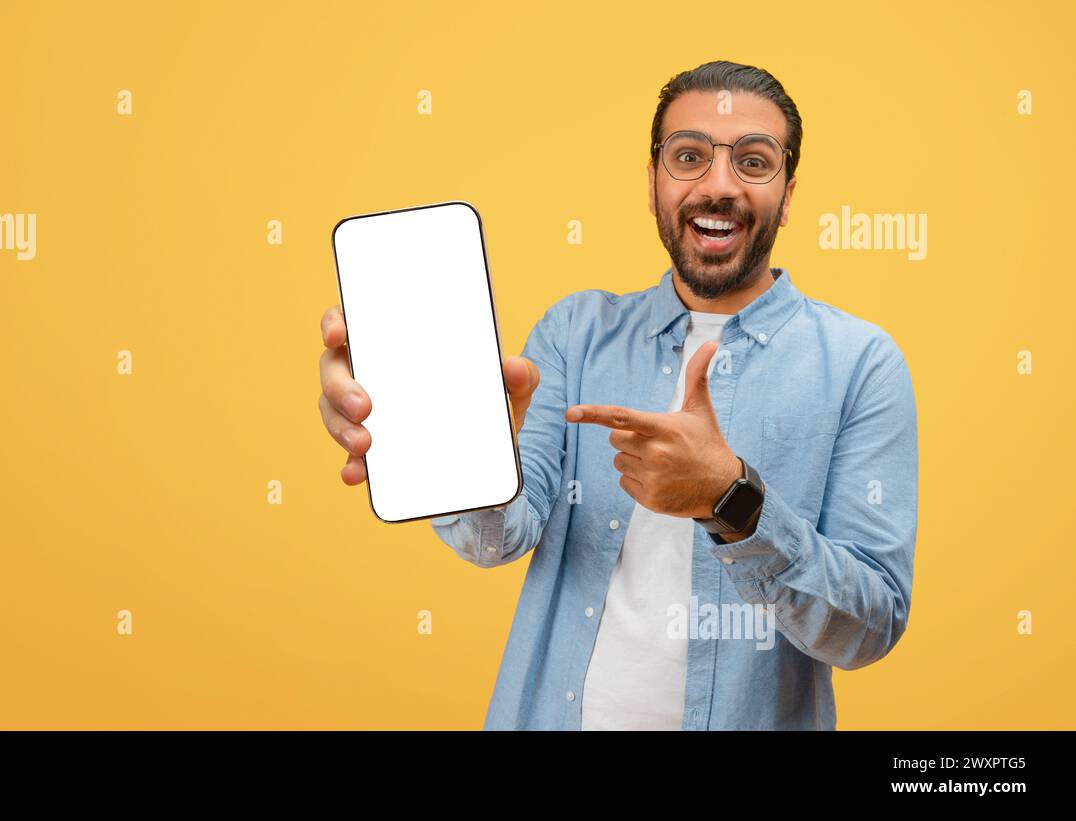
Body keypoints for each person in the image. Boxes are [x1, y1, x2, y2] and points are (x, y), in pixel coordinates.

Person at [317, 60, 917, 730]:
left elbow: (869, 626)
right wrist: (443, 442)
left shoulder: (862, 363)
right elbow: (495, 541)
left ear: (788, 189)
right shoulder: (575, 333)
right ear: (654, 179)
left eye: (753, 161)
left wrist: (733, 501)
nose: (718, 185)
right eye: (688, 156)